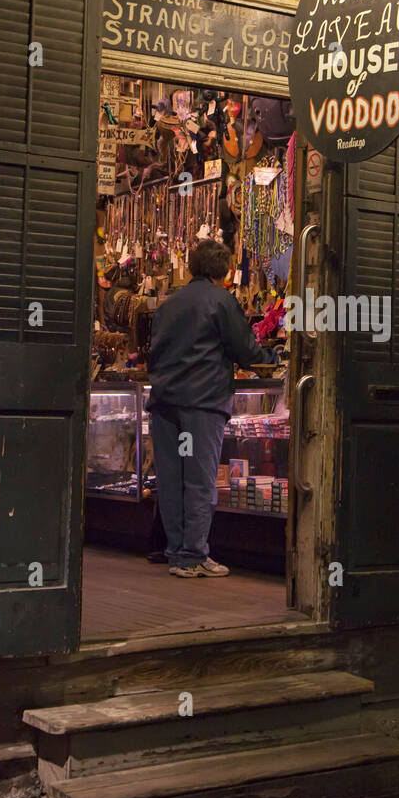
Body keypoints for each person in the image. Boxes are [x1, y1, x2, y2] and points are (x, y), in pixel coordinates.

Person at [146, 239, 280, 577]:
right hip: (201, 404)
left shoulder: (168, 303)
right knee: (200, 480)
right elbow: (246, 349)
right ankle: (193, 554)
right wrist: (271, 359)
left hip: (165, 403)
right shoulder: (221, 301)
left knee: (172, 479)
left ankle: (177, 552)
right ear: (225, 270)